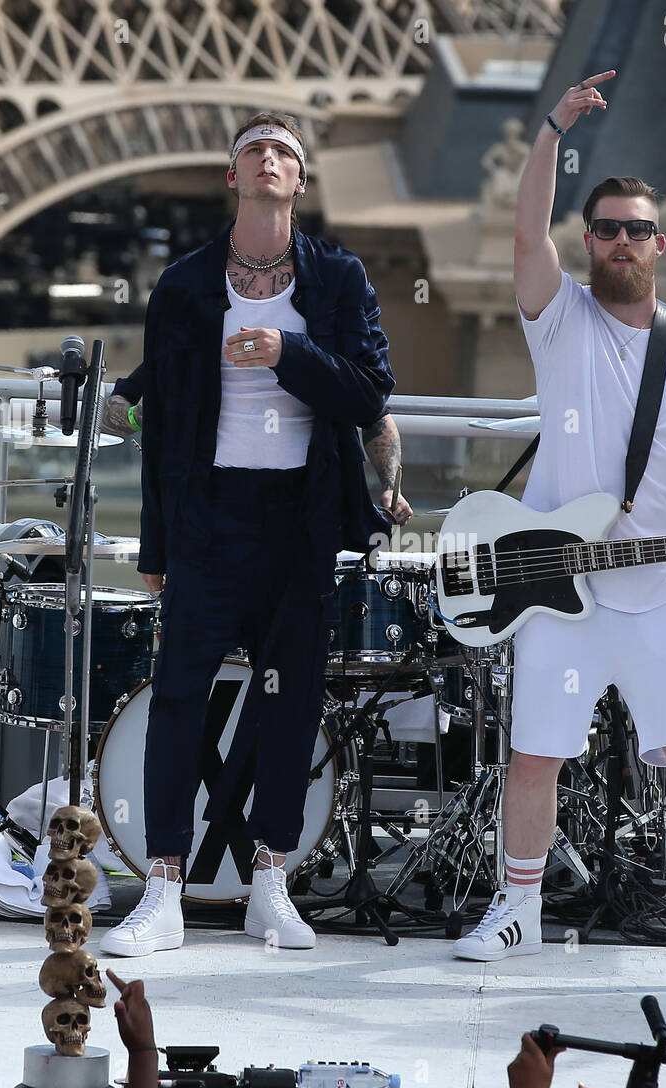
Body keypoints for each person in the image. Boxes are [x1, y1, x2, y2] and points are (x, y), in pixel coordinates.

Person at [453, 71, 666, 998]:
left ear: (661, 242)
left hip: (661, 587)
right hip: (561, 591)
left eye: (636, 228)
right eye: (605, 227)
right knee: (536, 755)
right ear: (590, 239)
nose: (620, 240)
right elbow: (523, 233)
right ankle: (519, 907)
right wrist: (552, 129)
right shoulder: (558, 317)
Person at [101, 111, 396, 956]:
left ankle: (271, 879)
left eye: (285, 154)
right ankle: (164, 888)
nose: (269, 162)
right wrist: (156, 549)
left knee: (289, 700)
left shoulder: (336, 278)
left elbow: (370, 392)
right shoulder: (187, 286)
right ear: (233, 177)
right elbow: (157, 434)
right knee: (178, 698)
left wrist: (288, 355)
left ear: (300, 181)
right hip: (209, 517)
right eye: (254, 152)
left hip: (301, 520)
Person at [104, 364, 413, 523]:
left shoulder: (314, 347)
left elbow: (375, 415)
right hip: (208, 511)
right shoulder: (190, 345)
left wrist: (389, 487)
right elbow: (113, 409)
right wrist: (138, 416)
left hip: (305, 510)